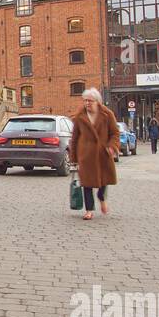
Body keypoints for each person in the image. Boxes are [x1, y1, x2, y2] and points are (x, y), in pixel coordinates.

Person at [69, 88, 119, 221]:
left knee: (104, 181)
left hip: (103, 154)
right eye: (85, 101)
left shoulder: (108, 115)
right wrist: (73, 158)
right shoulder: (80, 117)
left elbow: (114, 133)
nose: (87, 103)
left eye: (90, 101)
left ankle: (102, 198)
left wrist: (112, 147)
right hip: (85, 155)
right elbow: (74, 138)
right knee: (87, 183)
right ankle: (89, 210)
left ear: (97, 101)